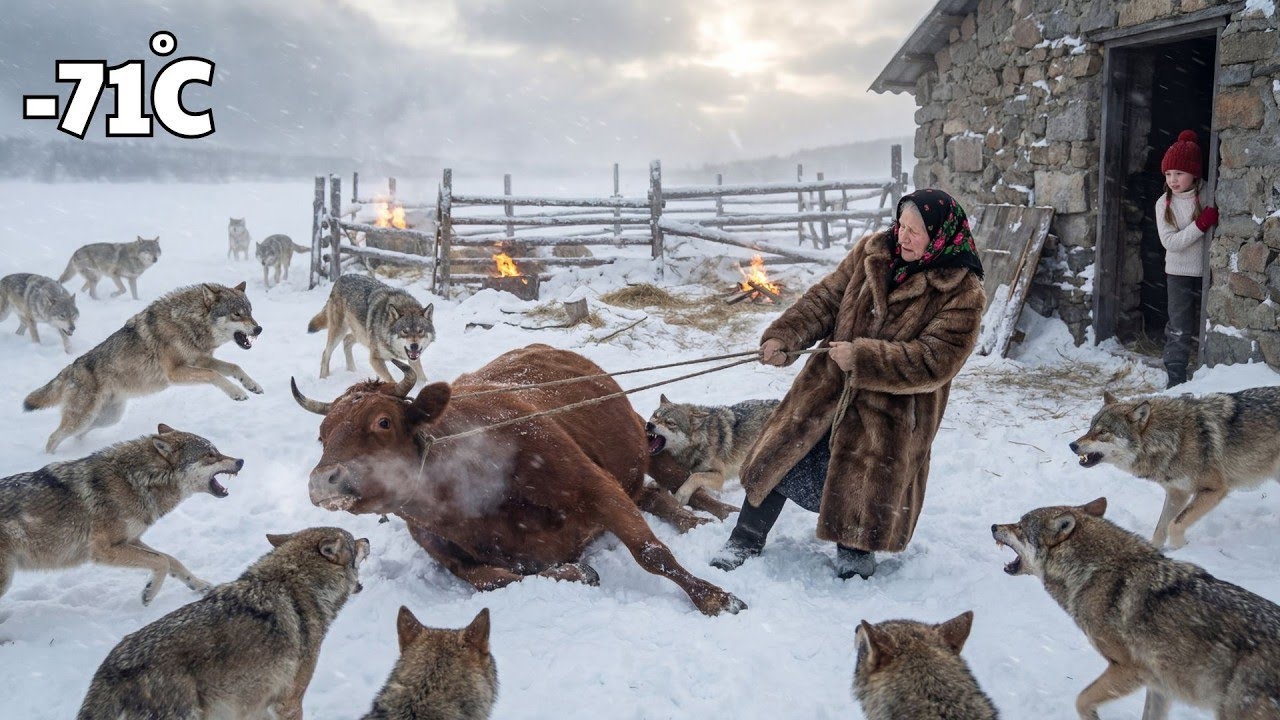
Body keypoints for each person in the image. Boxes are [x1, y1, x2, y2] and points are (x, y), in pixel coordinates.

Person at [711, 189, 986, 579]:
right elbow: (826, 299)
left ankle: (855, 553)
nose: (903, 237)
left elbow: (935, 360)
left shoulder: (961, 292)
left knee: (864, 483)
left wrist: (864, 358)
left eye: (915, 232)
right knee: (780, 454)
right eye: (901, 226)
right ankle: (745, 538)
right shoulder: (873, 253)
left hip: (892, 413)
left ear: (940, 236)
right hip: (825, 387)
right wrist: (785, 336)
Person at [1155, 129, 1217, 388]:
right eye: (1168, 174)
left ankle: (1210, 373)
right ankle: (1175, 376)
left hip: (1206, 274)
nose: (1173, 179)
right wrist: (1201, 225)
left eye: (1179, 173)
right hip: (1178, 273)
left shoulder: (1209, 194)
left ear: (1194, 173)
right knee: (1179, 325)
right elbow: (1170, 242)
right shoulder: (1164, 203)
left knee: (1207, 322)